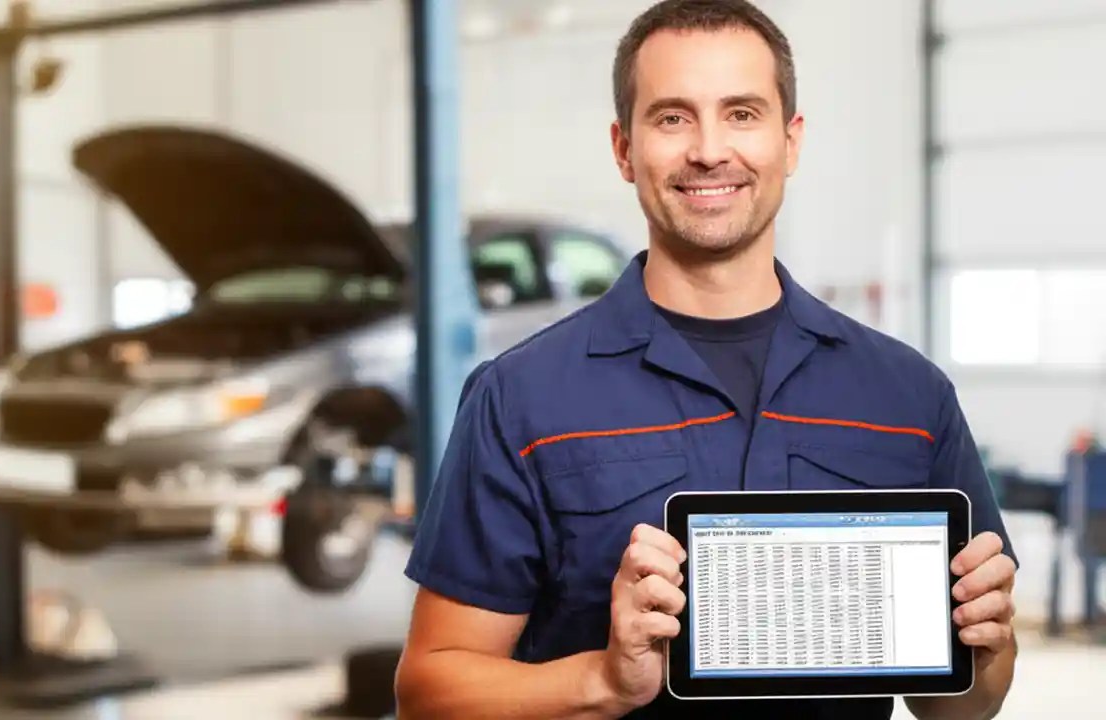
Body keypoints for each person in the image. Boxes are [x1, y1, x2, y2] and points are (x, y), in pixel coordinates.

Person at [393, 1, 1018, 718]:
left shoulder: (909, 398)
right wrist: (603, 681)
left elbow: (958, 708)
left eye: (742, 113)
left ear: (791, 141)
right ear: (625, 149)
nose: (709, 149)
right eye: (672, 117)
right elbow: (428, 691)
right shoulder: (520, 398)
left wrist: (987, 650)